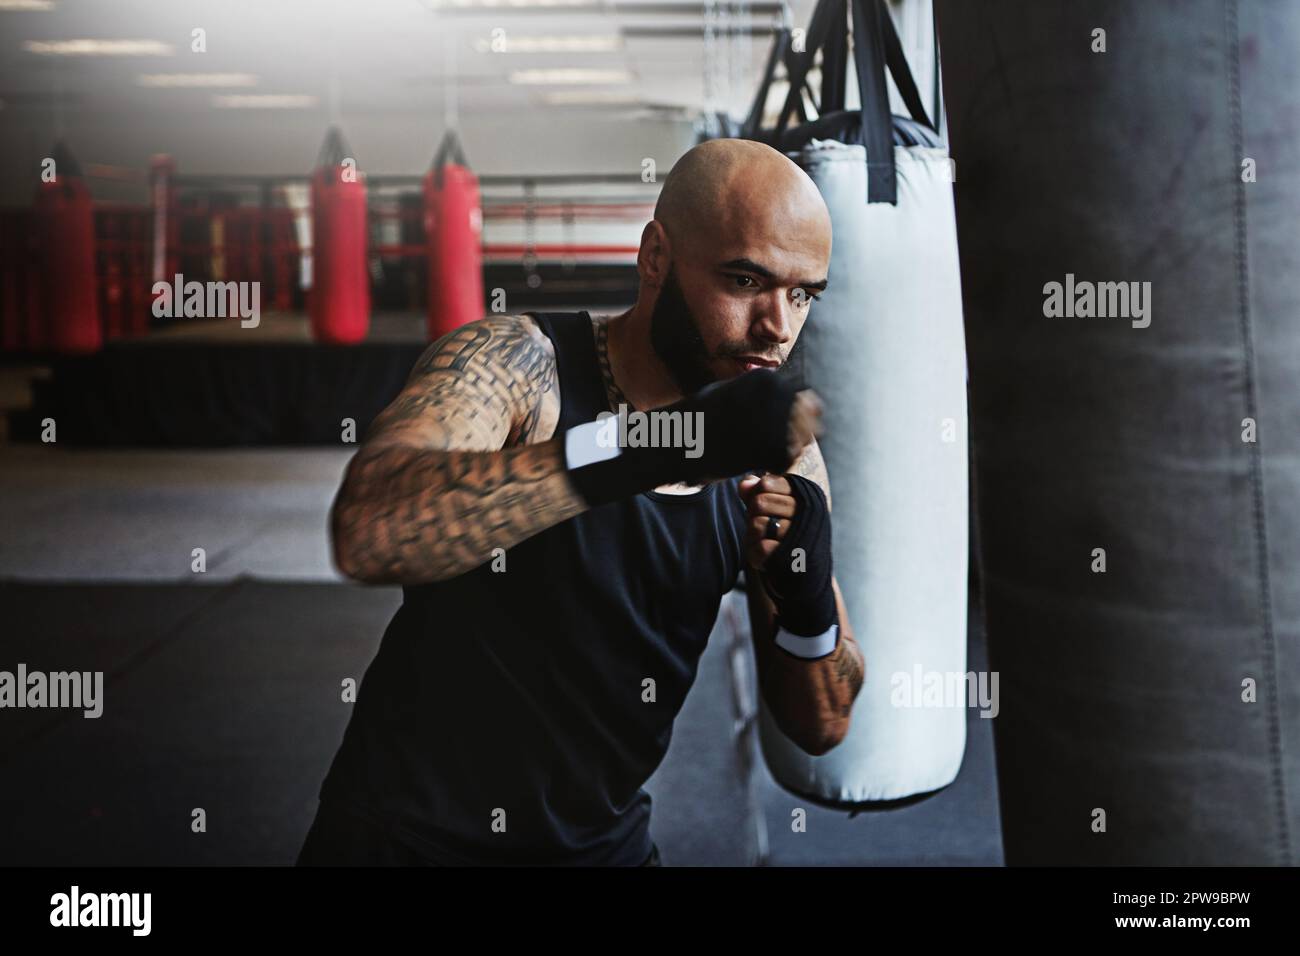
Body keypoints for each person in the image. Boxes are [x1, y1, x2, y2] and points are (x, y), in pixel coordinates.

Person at [297, 138, 863, 867]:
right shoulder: (519, 366)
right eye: (745, 279)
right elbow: (369, 528)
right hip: (406, 839)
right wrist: (651, 445)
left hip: (600, 848)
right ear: (656, 256)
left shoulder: (780, 456)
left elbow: (823, 722)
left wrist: (809, 600)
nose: (777, 327)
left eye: (802, 293)